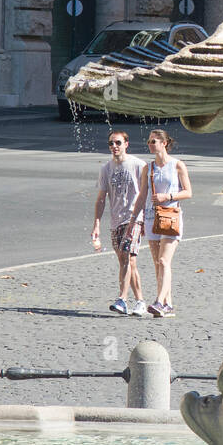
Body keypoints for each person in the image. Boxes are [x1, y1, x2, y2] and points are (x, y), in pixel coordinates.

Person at [125, 129, 191, 319]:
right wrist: (133, 219)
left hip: (171, 217)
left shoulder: (177, 165)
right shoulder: (149, 168)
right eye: (149, 141)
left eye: (154, 141)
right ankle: (167, 305)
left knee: (164, 261)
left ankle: (159, 301)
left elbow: (188, 192)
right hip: (151, 218)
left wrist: (168, 196)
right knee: (157, 264)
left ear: (164, 143)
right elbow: (142, 195)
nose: (150, 144)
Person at [92, 130, 146, 316]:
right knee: (128, 261)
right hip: (116, 220)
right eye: (111, 143)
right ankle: (140, 302)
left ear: (126, 144)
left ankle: (122, 299)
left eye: (118, 143)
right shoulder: (106, 169)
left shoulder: (138, 165)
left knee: (127, 256)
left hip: (134, 218)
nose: (114, 146)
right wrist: (97, 224)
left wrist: (144, 218)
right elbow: (101, 198)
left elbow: (145, 193)